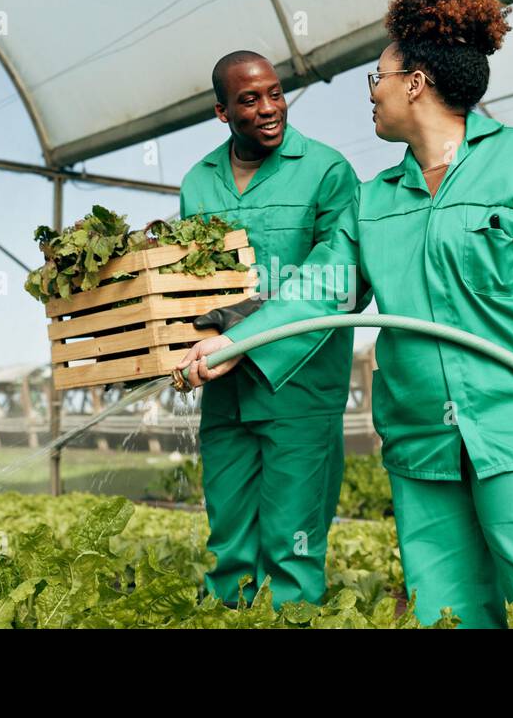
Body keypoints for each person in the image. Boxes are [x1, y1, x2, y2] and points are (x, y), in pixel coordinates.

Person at [178, 0, 513, 628]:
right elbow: (322, 284)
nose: (372, 95)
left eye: (379, 79)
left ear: (415, 84)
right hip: (423, 438)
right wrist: (236, 339)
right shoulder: (374, 199)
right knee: (446, 608)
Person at [178, 50, 360, 607]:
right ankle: (230, 615)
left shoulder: (327, 170)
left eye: (275, 93)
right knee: (228, 539)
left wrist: (243, 338)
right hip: (226, 393)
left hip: (298, 387)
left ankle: (293, 618)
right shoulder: (198, 181)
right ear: (221, 111)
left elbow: (341, 279)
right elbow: (187, 281)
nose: (268, 108)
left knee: (292, 545)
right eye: (249, 99)